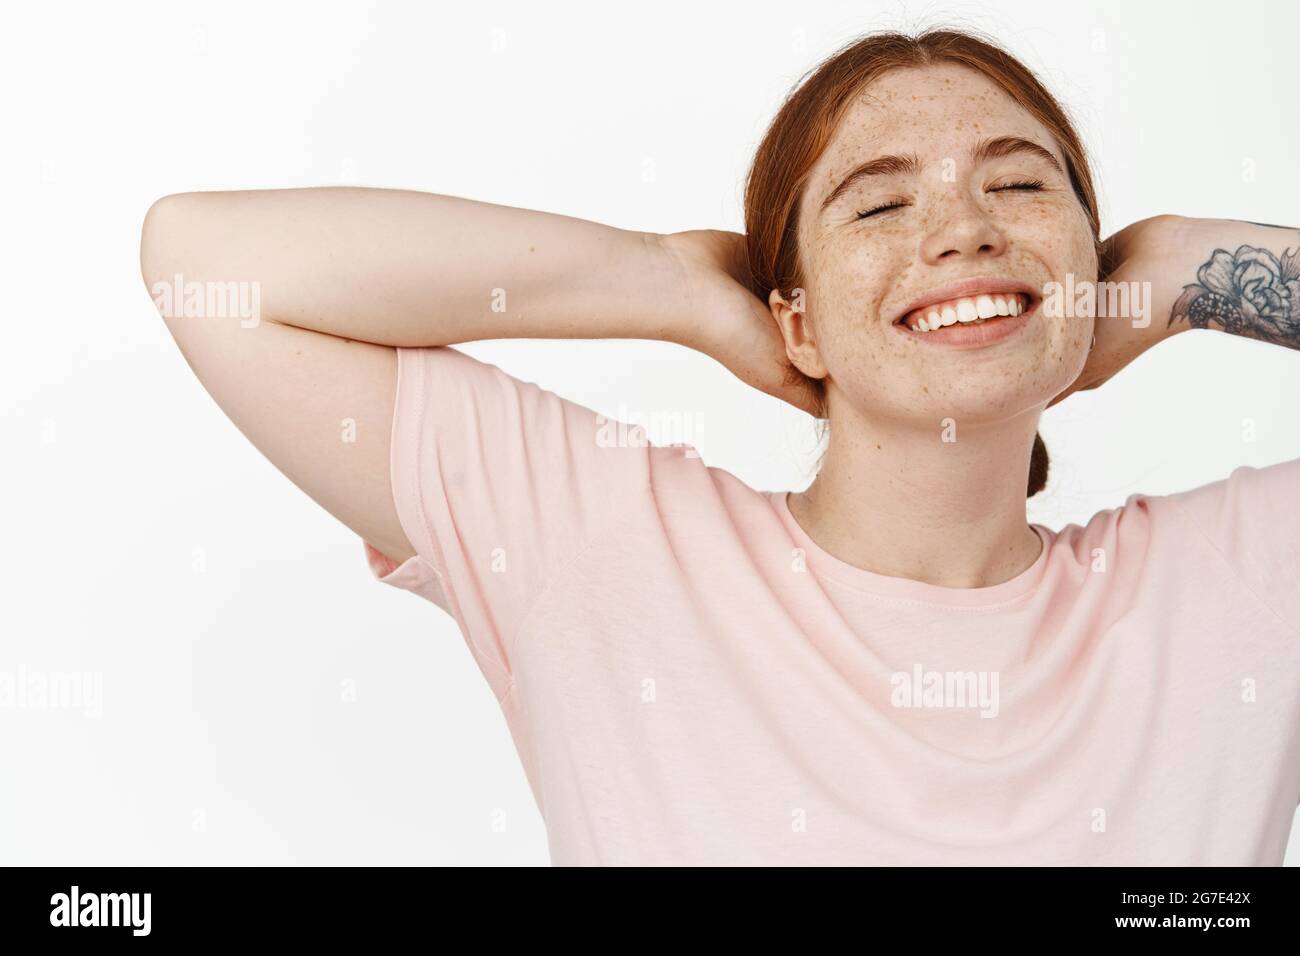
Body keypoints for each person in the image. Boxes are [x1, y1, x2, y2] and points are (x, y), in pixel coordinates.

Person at [139, 28, 1300, 865]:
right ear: (793, 316)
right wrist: (671, 285)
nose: (964, 227)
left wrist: (1194, 268)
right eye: (878, 204)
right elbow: (209, 266)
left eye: (1017, 182)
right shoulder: (597, 541)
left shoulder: (1243, 579)